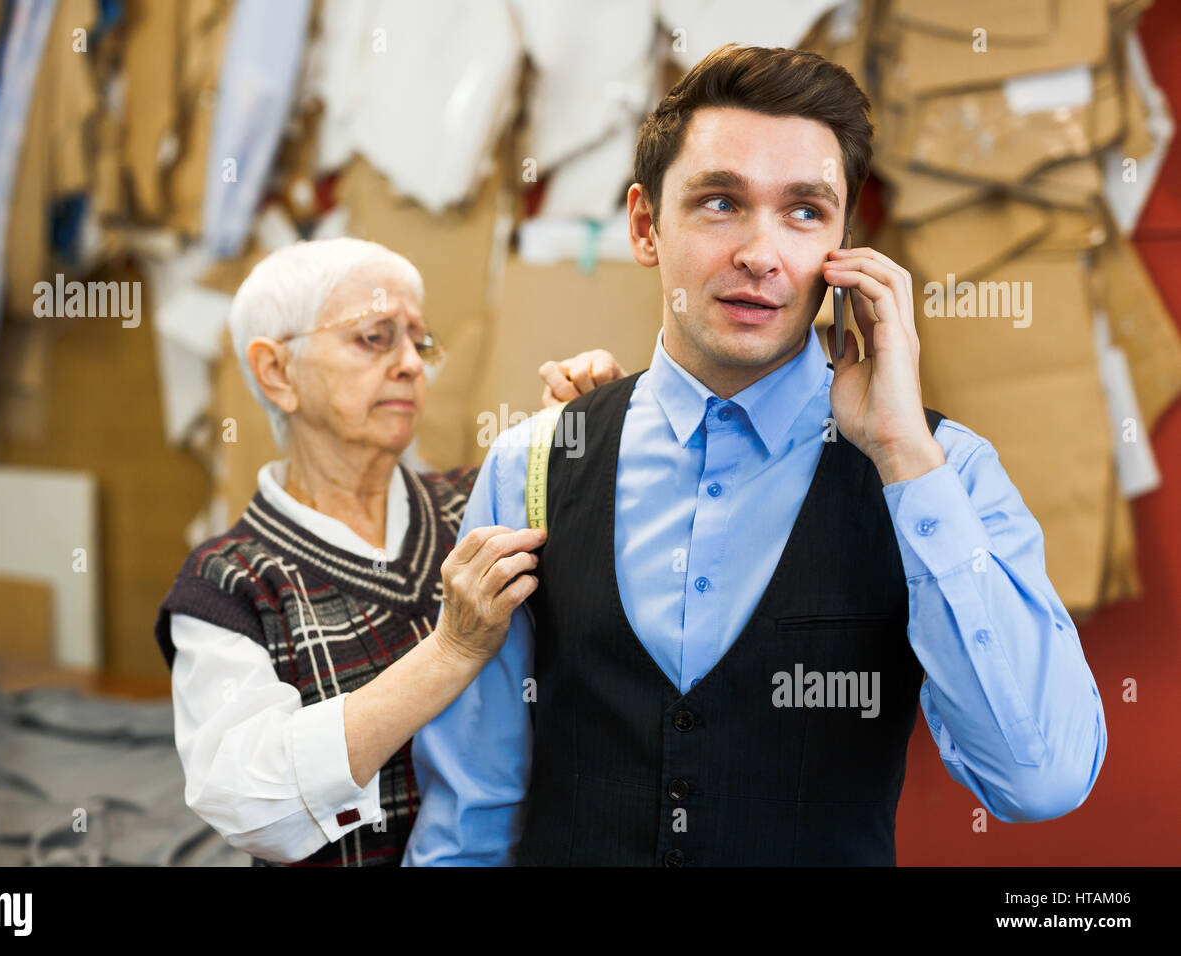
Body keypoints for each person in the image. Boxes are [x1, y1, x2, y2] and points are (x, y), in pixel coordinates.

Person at [403, 44, 1108, 866]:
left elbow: (1039, 782)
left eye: (805, 212)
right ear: (643, 226)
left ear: (846, 246)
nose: (761, 254)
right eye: (720, 203)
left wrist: (904, 456)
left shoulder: (944, 472)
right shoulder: (532, 462)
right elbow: (473, 814)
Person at [152, 237, 623, 866]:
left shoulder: (477, 502)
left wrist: (586, 447)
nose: (410, 364)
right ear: (276, 371)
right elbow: (247, 802)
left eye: (419, 342)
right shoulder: (227, 581)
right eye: (374, 337)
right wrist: (450, 651)